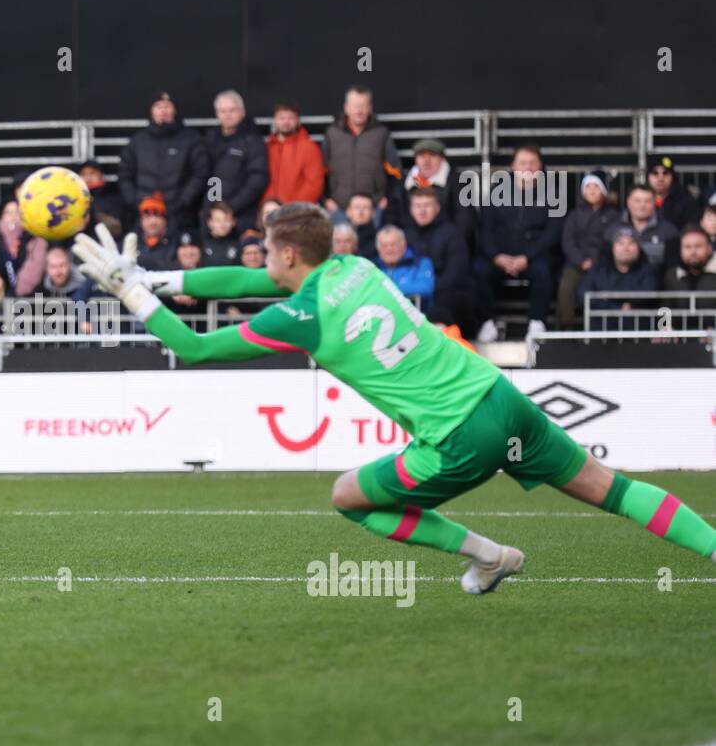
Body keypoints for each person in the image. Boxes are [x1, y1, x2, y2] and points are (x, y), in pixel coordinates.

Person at [73, 206, 716, 596]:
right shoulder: (356, 268)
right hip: (499, 397)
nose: (260, 260)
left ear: (289, 253)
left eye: (268, 249)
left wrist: (135, 297)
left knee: (349, 497)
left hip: (460, 437)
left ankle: (488, 554)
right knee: (614, 487)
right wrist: (160, 275)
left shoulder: (302, 315)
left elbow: (198, 349)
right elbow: (249, 278)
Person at [472, 144, 561, 341]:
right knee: (479, 270)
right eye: (522, 163)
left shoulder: (553, 194)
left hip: (534, 258)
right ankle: (488, 323)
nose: (527, 168)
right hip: (500, 258)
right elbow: (485, 230)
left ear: (540, 167)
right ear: (513, 166)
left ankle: (537, 322)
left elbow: (553, 234)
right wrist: (496, 257)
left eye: (532, 163)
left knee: (544, 270)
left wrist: (527, 258)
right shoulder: (497, 192)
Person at [117, 91, 210, 236]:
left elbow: (201, 173)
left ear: (175, 110)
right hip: (144, 214)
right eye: (158, 107)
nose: (163, 111)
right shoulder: (138, 141)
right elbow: (124, 173)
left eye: (167, 106)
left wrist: (184, 201)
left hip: (180, 215)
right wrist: (135, 201)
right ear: (151, 111)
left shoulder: (191, 139)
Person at [320, 86, 402, 215]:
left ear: (370, 108)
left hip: (373, 209)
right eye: (355, 106)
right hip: (339, 209)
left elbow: (396, 172)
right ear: (346, 108)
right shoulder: (332, 134)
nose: (359, 111)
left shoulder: (381, 133)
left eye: (363, 106)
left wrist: (388, 200)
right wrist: (326, 200)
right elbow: (320, 171)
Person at [404, 186, 472, 329]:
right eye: (418, 206)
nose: (422, 211)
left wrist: (428, 290)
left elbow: (455, 273)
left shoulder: (452, 233)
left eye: (427, 205)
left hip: (443, 297)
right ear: (411, 209)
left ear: (437, 208)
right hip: (411, 295)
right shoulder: (404, 235)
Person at [556, 171, 617, 328]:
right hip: (576, 264)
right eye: (588, 186)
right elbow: (567, 241)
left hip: (604, 264)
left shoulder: (613, 216)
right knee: (566, 286)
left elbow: (612, 242)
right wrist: (581, 261)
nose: (592, 190)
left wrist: (597, 261)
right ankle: (567, 326)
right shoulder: (573, 215)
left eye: (596, 186)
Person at [203, 89, 268, 224]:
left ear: (242, 112)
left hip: (242, 214)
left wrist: (231, 207)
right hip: (213, 215)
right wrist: (212, 207)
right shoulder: (210, 139)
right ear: (217, 114)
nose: (227, 115)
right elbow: (210, 178)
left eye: (232, 110)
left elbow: (257, 179)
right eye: (223, 111)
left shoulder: (253, 141)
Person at [577, 228, 658, 327]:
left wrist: (606, 297)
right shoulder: (599, 269)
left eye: (631, 243)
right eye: (620, 243)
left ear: (638, 248)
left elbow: (648, 294)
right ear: (613, 248)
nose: (626, 248)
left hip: (638, 332)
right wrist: (616, 307)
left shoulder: (648, 270)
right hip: (601, 331)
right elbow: (583, 295)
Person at [0, 197, 48, 296]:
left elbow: (35, 268)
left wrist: (16, 293)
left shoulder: (36, 240)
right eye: (8, 212)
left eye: (18, 212)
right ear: (0, 216)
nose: (13, 216)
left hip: (29, 299)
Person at [263, 101, 325, 206]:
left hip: (296, 213)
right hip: (269, 210)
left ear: (298, 121)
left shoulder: (309, 147)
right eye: (282, 118)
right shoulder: (267, 147)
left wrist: (294, 208)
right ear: (275, 121)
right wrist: (267, 204)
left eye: (291, 118)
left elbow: (315, 183)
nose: (286, 122)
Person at [616, 183, 681, 271]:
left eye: (647, 201)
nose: (642, 206)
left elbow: (672, 267)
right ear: (628, 202)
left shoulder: (669, 231)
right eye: (637, 201)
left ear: (654, 203)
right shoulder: (614, 229)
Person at [373, 225, 434, 302]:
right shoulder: (372, 268)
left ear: (404, 245)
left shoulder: (421, 263)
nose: (389, 249)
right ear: (378, 249)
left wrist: (386, 288)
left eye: (394, 244)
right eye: (385, 245)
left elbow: (425, 288)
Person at [78, 160, 130, 241]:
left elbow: (117, 227)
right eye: (83, 174)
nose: (88, 178)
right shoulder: (74, 199)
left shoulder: (113, 196)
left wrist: (92, 216)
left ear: (101, 176)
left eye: (92, 173)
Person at [646, 154, 698, 229]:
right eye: (655, 173)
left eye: (665, 173)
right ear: (648, 177)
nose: (661, 178)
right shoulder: (640, 198)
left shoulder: (685, 200)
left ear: (672, 176)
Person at [663, 225, 716, 292]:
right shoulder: (672, 277)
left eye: (698, 246)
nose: (693, 252)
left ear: (709, 248)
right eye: (688, 247)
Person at [135, 194, 175, 269]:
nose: (153, 222)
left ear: (165, 220)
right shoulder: (131, 243)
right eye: (147, 217)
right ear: (140, 221)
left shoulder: (175, 245)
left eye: (157, 216)